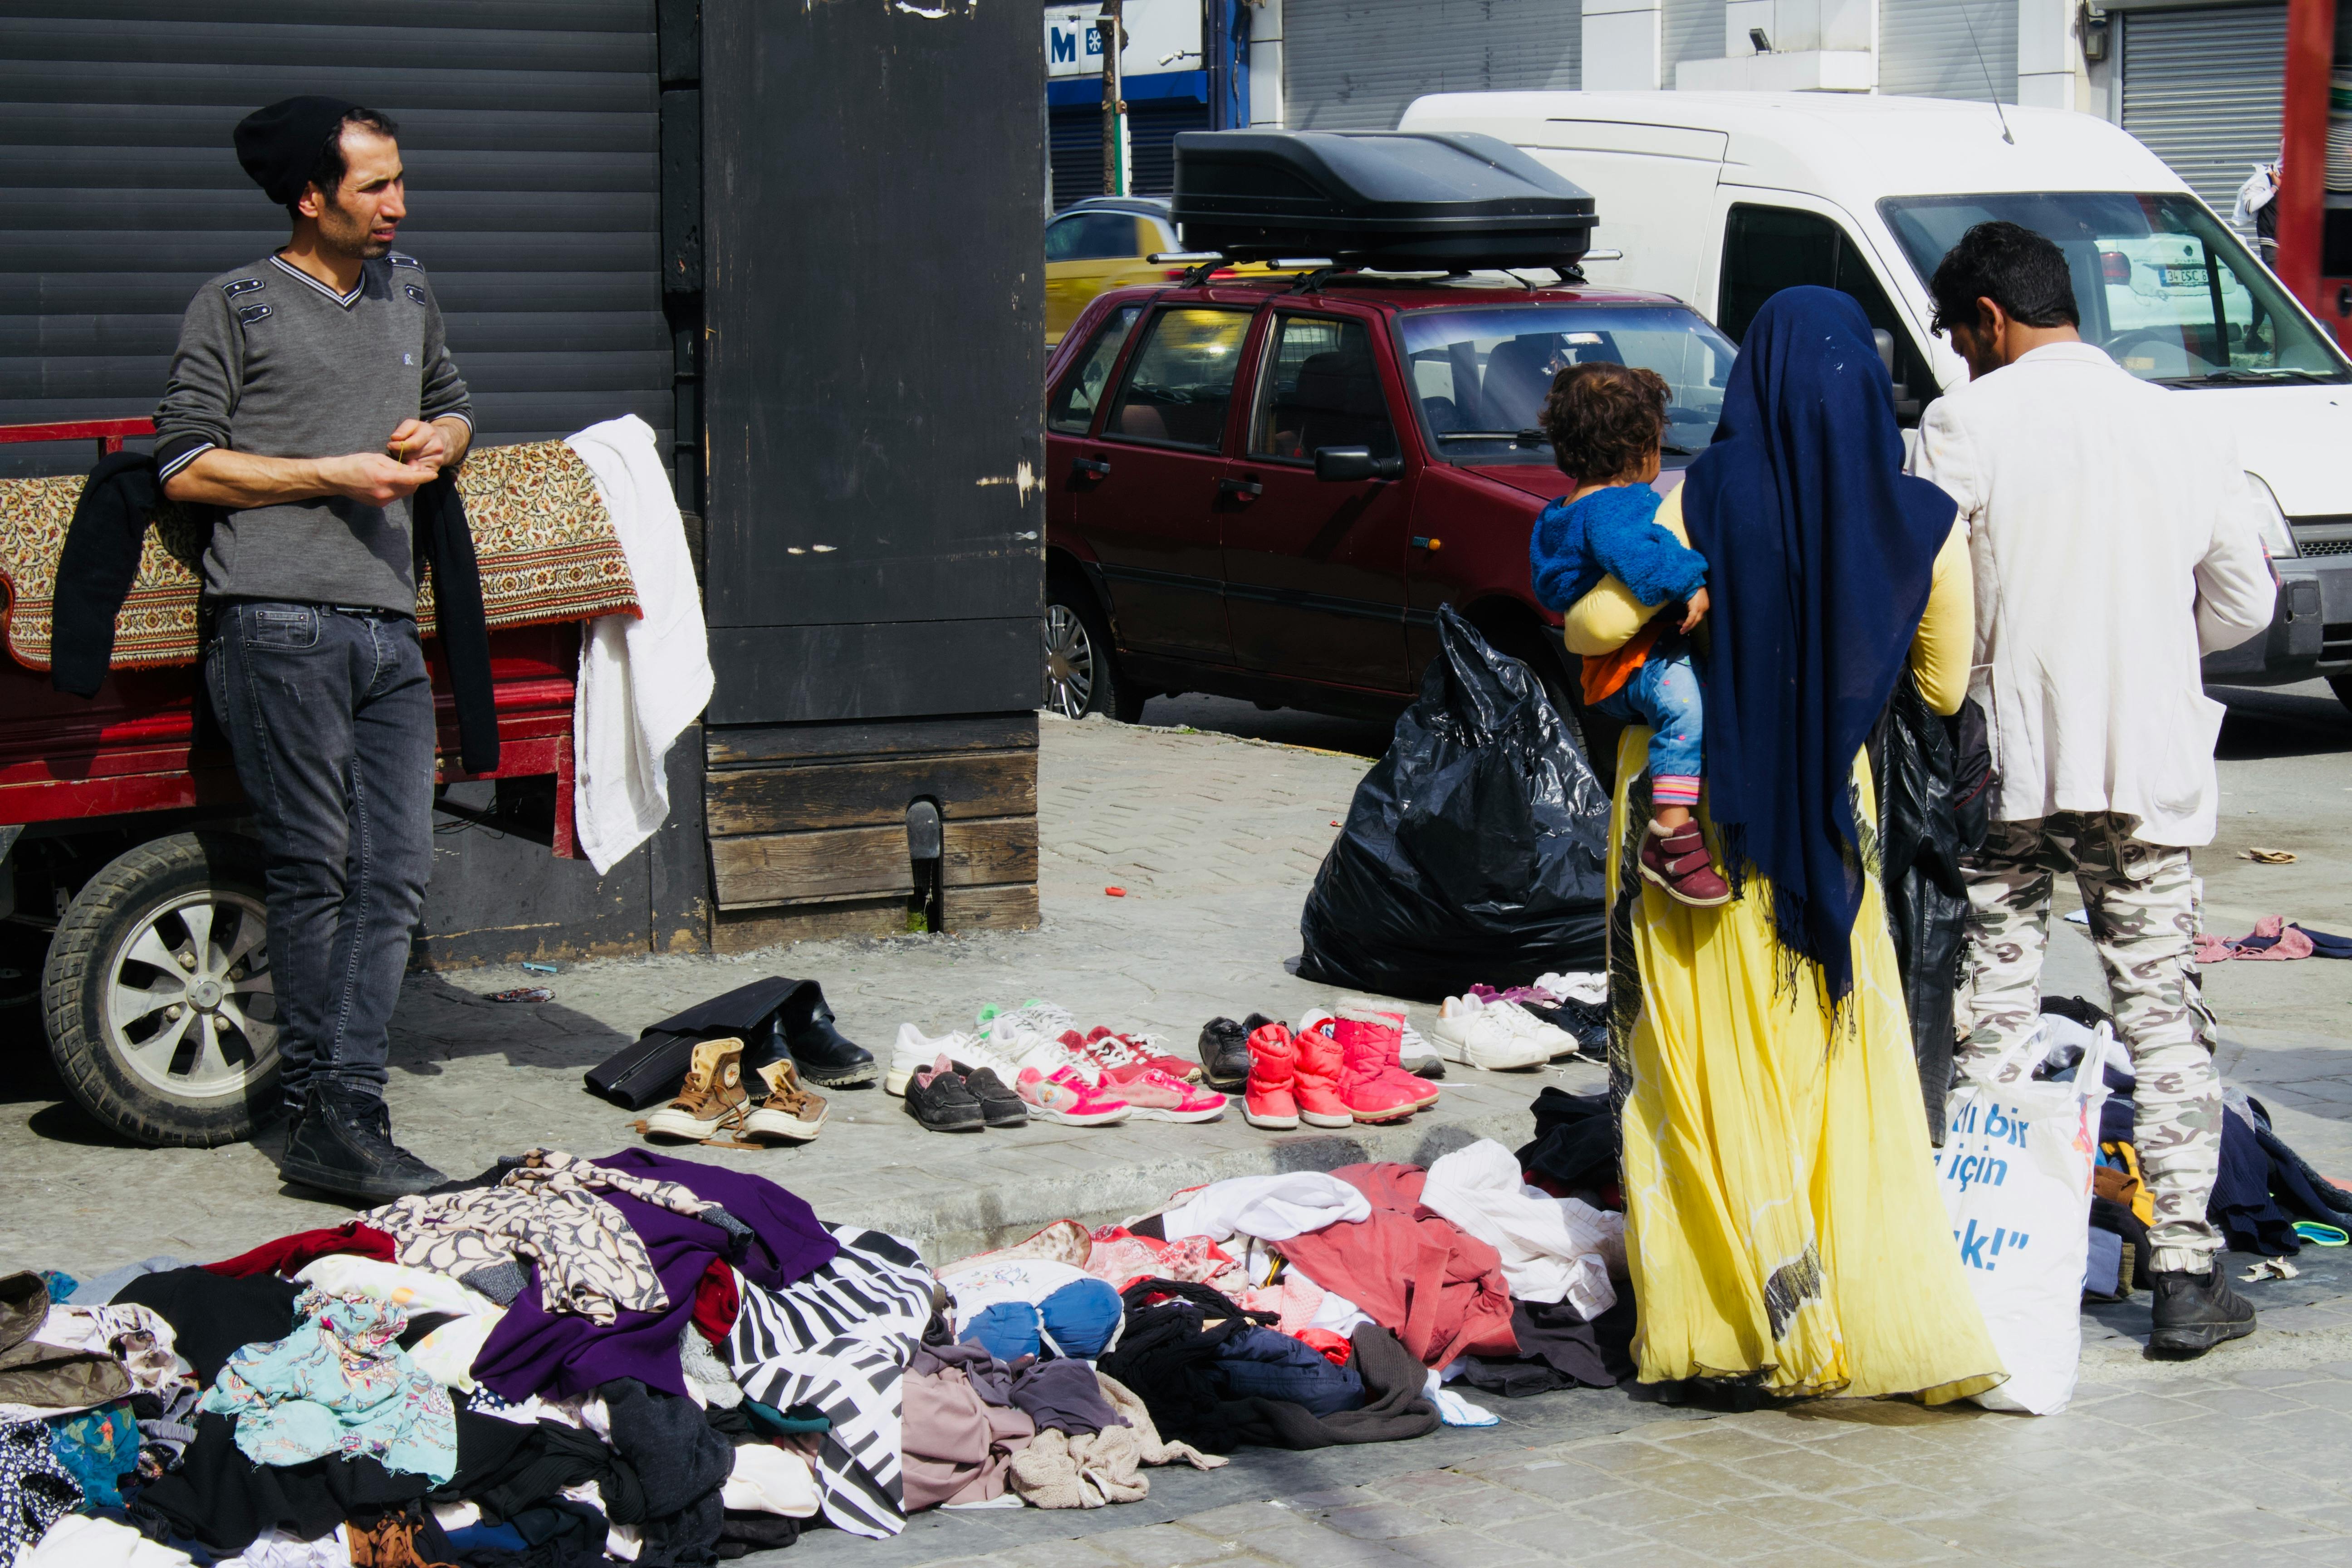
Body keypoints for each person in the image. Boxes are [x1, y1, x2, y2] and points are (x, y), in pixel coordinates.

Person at [1564, 287, 2001, 1401]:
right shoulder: (1921, 519)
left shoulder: (1698, 492)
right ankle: (1836, 1312)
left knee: (1696, 1063)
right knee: (1823, 1057)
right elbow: (1943, 684)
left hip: (1689, 828)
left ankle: (1725, 1328)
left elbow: (1593, 628)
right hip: (1825, 821)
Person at [1907, 220, 2277, 1357]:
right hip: (2143, 767)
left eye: (1959, 337)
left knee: (1992, 1008)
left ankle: (1967, 1246)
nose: (1960, 360)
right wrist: (2155, 657)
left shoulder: (1962, 422)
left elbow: (1931, 587)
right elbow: (2246, 603)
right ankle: (2180, 1275)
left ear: (1988, 321)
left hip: (2006, 769)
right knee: (2160, 1014)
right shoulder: (2181, 424)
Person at [153, 96, 473, 1201]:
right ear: (310, 197)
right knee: (319, 867)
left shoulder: (411, 286)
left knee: (395, 871)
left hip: (389, 622)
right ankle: (324, 1117)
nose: (398, 203)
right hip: (275, 619)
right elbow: (185, 462)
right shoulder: (236, 305)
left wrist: (443, 436)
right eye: (374, 185)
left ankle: (351, 1109)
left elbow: (455, 403)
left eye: (398, 180)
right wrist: (334, 472)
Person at [1528, 362, 1726, 906]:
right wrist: (1690, 581)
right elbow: (1638, 556)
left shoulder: (1561, 510)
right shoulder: (1615, 508)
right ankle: (1671, 833)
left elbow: (1551, 583)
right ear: (1639, 448)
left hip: (1607, 668)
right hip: (1637, 663)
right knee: (1685, 710)